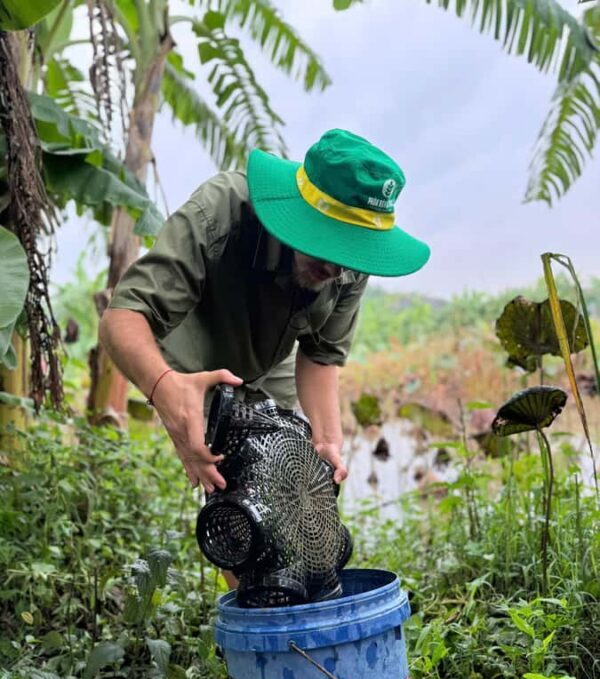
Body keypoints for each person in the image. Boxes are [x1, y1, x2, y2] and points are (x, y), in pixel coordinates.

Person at [99, 128, 430, 495]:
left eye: (350, 255)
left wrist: (326, 441)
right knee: (220, 482)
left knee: (271, 482)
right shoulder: (221, 211)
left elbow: (320, 356)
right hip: (194, 359)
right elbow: (123, 317)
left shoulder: (351, 261)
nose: (338, 270)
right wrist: (163, 386)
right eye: (329, 248)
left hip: (272, 363)